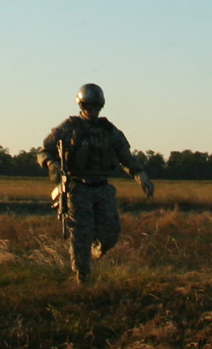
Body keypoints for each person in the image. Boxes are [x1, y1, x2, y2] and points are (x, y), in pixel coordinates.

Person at [39, 83, 154, 284]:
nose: (91, 110)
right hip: (78, 188)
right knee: (81, 235)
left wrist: (140, 175)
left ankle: (96, 252)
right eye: (87, 106)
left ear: (101, 106)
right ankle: (82, 277)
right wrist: (52, 165)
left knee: (110, 234)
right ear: (81, 106)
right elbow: (44, 151)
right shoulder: (70, 127)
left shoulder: (108, 130)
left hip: (103, 188)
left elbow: (125, 156)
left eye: (95, 106)